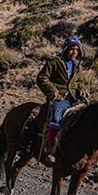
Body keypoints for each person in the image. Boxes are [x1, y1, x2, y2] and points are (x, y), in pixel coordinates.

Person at [35, 35, 86, 164]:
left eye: (76, 49)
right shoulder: (54, 62)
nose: (74, 52)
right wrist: (52, 91)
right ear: (65, 49)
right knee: (57, 117)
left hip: (74, 98)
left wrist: (82, 90)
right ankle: (51, 149)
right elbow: (42, 78)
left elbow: (80, 82)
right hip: (60, 98)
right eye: (71, 48)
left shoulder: (77, 66)